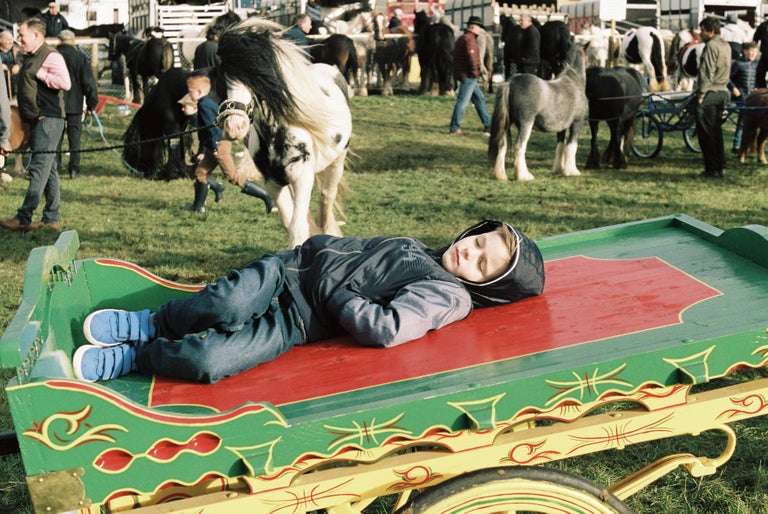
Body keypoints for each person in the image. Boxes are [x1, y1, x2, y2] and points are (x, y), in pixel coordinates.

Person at [71, 220, 545, 383]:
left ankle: (137, 357)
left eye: (483, 264)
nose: (471, 252)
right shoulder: (428, 249)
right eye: (481, 241)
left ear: (486, 287)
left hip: (299, 321)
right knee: (227, 302)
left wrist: (336, 295)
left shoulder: (448, 294)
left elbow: (387, 327)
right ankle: (150, 323)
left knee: (211, 360)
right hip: (289, 269)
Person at [0, 18, 70, 233]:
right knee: (48, 170)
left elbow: (65, 82)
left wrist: (41, 74)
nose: (19, 40)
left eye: (22, 35)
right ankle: (51, 218)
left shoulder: (51, 56)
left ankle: (24, 217)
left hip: (49, 119)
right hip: (38, 120)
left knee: (38, 168)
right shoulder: (31, 56)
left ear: (36, 36)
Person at [182, 72, 274, 214]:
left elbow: (212, 129)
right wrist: (202, 151)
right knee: (200, 173)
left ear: (199, 92)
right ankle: (198, 207)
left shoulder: (205, 106)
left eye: (190, 91)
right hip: (212, 145)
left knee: (233, 176)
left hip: (218, 145)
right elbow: (204, 132)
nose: (189, 94)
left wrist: (213, 148)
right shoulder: (205, 102)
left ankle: (267, 197)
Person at [56, 30, 98, 179]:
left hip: (55, 104)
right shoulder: (80, 57)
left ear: (59, 41)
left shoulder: (53, 56)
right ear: (73, 42)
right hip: (74, 104)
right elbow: (88, 83)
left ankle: (55, 165)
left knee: (56, 137)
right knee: (74, 138)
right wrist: (92, 104)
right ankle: (74, 169)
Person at [695, 17, 731, 179]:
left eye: (702, 30)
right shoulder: (726, 45)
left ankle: (711, 169)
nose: (700, 33)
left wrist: (701, 95)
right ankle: (720, 165)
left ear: (711, 31)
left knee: (706, 133)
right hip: (723, 92)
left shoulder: (711, 46)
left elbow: (706, 72)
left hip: (710, 93)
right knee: (716, 131)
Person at [449, 16, 492, 136]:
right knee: (463, 102)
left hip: (465, 74)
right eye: (479, 28)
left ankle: (489, 124)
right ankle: (454, 127)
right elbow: (472, 59)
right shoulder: (470, 40)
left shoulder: (463, 38)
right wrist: (476, 73)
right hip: (469, 75)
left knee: (479, 99)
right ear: (474, 27)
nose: (480, 31)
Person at [728, 41, 758, 153]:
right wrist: (734, 88)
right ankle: (737, 145)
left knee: (755, 121)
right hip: (741, 96)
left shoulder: (756, 65)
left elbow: (758, 80)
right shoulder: (737, 64)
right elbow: (728, 78)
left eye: (755, 51)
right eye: (751, 51)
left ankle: (752, 146)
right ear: (745, 51)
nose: (753, 54)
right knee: (743, 121)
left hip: (754, 97)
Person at [0, 30, 22, 98]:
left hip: (15, 77)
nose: (11, 42)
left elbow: (24, 60)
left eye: (12, 39)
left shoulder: (17, 49)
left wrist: (19, 65)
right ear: (1, 40)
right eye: (8, 40)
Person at [752, 18, 768, 89]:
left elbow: (755, 40)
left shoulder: (762, 25)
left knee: (760, 74)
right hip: (764, 55)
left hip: (764, 54)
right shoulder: (763, 26)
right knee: (760, 74)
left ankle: (762, 90)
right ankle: (762, 91)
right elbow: (755, 40)